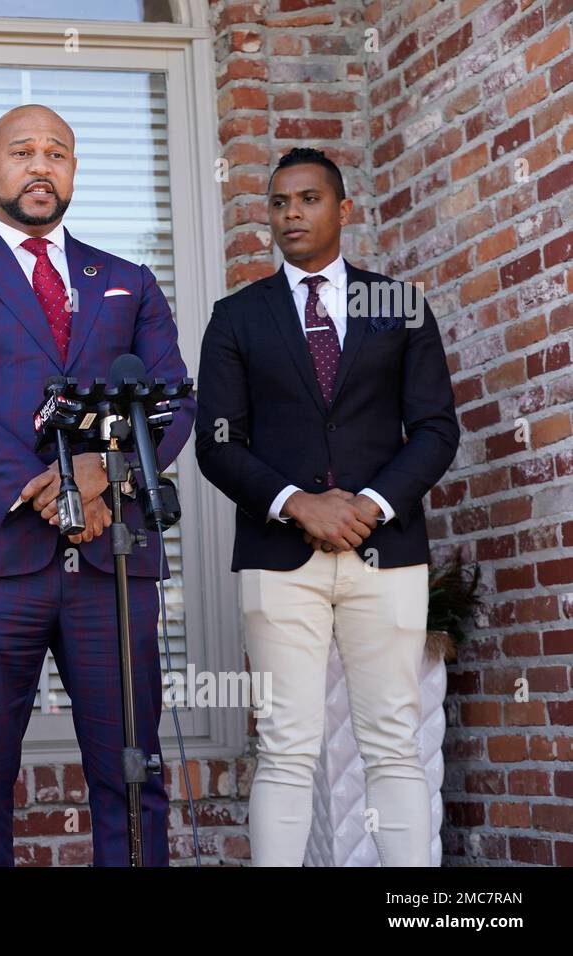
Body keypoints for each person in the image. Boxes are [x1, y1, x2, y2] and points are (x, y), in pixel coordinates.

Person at [0, 105, 195, 866]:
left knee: (132, 779)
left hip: (111, 562)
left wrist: (100, 474)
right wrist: (45, 481)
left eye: (56, 153)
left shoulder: (126, 281)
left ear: (73, 170)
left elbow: (173, 399)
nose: (40, 166)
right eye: (21, 152)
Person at [195, 147, 460, 866]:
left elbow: (436, 428)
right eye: (279, 203)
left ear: (344, 209)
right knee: (286, 748)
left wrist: (369, 505)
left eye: (309, 199)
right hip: (281, 559)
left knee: (394, 746)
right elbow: (217, 443)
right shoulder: (236, 317)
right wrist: (296, 505)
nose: (291, 215)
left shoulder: (397, 304)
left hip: (387, 552)